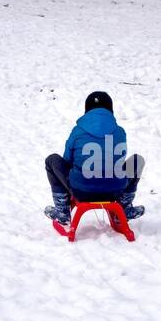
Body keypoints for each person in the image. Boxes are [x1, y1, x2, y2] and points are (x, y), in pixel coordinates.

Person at [44, 91, 144, 225]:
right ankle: (124, 208)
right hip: (115, 191)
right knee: (137, 161)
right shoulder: (120, 131)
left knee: (52, 160)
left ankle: (62, 211)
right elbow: (119, 160)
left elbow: (67, 159)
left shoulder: (78, 131)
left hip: (81, 190)